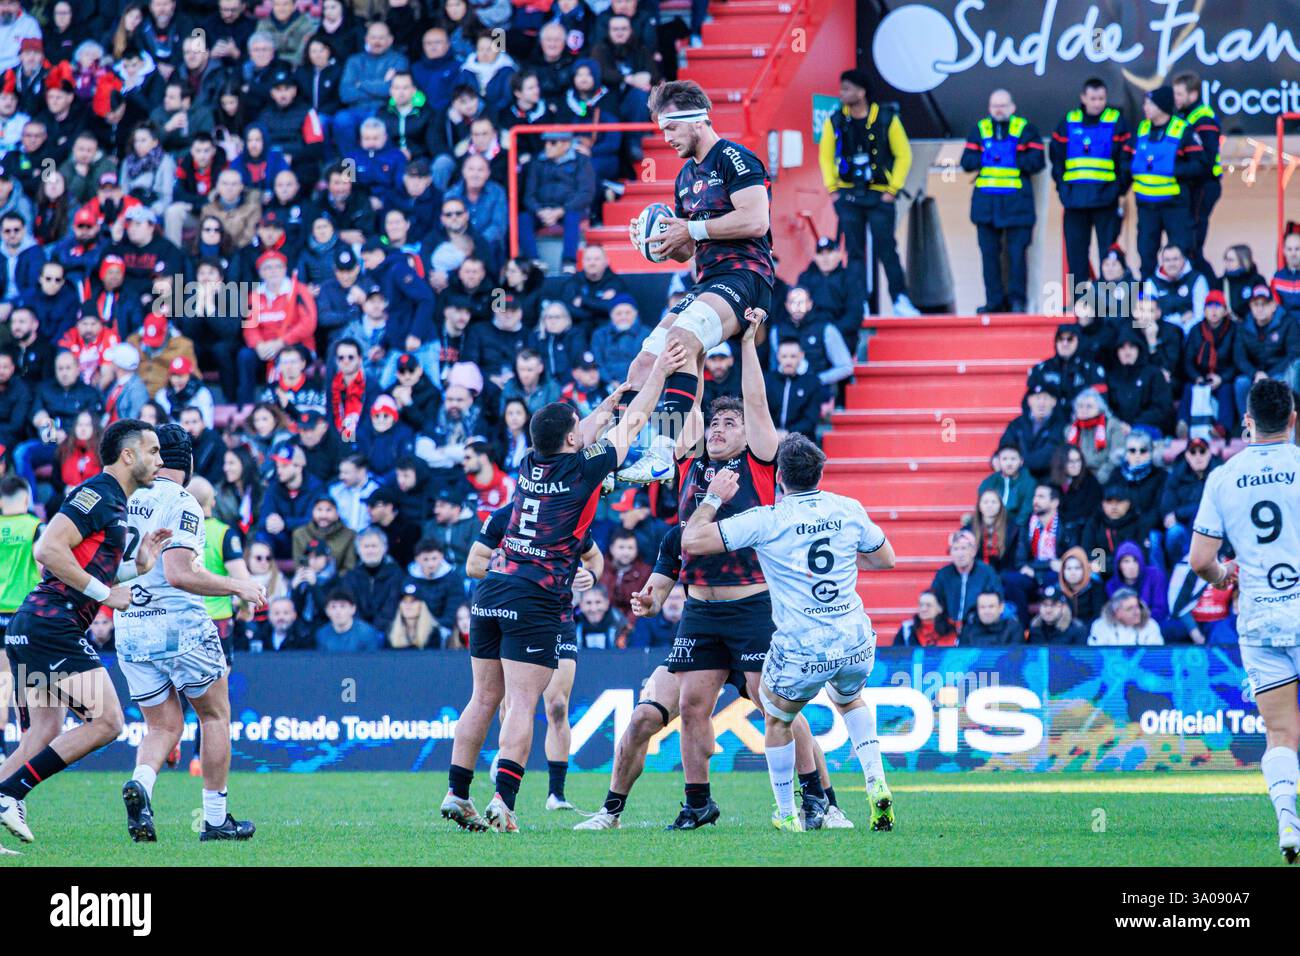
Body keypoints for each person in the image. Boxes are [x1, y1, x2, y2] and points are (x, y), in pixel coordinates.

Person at [440, 341, 679, 834]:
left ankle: (456, 792)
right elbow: (633, 424)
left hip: (492, 592)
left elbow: (586, 428)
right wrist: (660, 374)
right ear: (573, 442)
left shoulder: (532, 461)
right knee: (523, 704)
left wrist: (611, 398)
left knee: (482, 700)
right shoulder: (584, 468)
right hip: (535, 595)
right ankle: (503, 803)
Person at [681, 432, 897, 831]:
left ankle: (786, 813)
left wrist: (712, 497)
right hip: (853, 637)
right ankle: (875, 780)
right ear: (819, 472)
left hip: (803, 644)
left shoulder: (768, 518)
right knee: (850, 700)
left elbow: (692, 539)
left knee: (778, 720)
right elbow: (886, 559)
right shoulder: (848, 507)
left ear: (779, 475)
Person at [578, 521, 850, 831]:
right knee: (643, 717)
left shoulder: (751, 526)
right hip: (702, 632)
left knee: (780, 713)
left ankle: (827, 804)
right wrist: (649, 603)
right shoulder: (679, 536)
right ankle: (612, 812)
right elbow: (658, 592)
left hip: (749, 628)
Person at [0, 419, 162, 847]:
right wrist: (107, 594)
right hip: (51, 625)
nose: (160, 461)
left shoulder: (115, 502)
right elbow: (47, 549)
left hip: (33, 626)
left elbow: (85, 562)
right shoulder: (96, 494)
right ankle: (9, 793)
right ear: (129, 455)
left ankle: (4, 793)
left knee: (40, 735)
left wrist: (137, 566)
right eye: (154, 451)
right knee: (108, 721)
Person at [615, 80, 778, 484]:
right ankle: (617, 448)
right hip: (708, 282)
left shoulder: (735, 159)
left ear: (695, 120)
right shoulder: (685, 177)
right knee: (645, 361)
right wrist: (657, 243)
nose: (665, 138)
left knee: (681, 341)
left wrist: (690, 227)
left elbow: (756, 220)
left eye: (669, 128)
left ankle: (663, 449)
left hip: (746, 276)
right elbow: (687, 247)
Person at [115, 424, 267, 843]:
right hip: (178, 626)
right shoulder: (182, 501)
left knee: (163, 727)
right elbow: (181, 574)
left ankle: (141, 786)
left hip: (129, 626)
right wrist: (238, 585)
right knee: (214, 714)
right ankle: (216, 819)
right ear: (189, 463)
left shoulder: (121, 497)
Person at [1187, 378, 1300, 860]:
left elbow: (1199, 560)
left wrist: (1223, 573)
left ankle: (1287, 820)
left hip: (1261, 619)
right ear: (1293, 420)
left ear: (1247, 423)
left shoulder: (1223, 476)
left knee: (1280, 732)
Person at [467, 501, 602, 810]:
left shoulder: (571, 516)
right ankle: (507, 761)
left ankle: (556, 794)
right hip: (521, 614)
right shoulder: (505, 516)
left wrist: (591, 576)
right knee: (513, 701)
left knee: (557, 705)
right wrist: (510, 574)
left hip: (560, 619)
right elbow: (474, 564)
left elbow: (595, 557)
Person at [818, 69, 917, 317]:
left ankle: (900, 300)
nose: (842, 94)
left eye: (847, 89)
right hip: (848, 196)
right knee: (854, 251)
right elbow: (825, 155)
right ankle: (858, 303)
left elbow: (904, 154)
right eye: (842, 89)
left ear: (862, 92)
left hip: (880, 194)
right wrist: (833, 189)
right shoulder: (835, 120)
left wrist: (893, 189)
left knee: (887, 248)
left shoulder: (886, 117)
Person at [960, 89, 1044, 313]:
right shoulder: (980, 129)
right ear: (989, 108)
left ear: (1012, 107)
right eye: (995, 105)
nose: (999, 109)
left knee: (1017, 256)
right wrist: (988, 156)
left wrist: (1012, 157)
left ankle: (1017, 301)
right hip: (986, 206)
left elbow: (1038, 161)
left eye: (1003, 105)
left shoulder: (1025, 129)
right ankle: (994, 302)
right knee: (989, 256)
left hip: (1018, 205)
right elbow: (966, 161)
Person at [1050, 77, 1130, 300]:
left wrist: (1118, 190)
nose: (1097, 103)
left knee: (1109, 255)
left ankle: (1111, 305)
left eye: (1102, 98)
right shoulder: (1069, 121)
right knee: (1076, 257)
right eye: (1093, 98)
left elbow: (1126, 158)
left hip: (1106, 201)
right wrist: (1063, 190)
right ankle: (1080, 306)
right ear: (1083, 98)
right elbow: (1056, 158)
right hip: (1075, 202)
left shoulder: (1116, 121)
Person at [1125, 86, 1204, 278]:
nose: (1145, 107)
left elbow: (1200, 165)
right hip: (1146, 207)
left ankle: (1183, 298)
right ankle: (1148, 303)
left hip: (1174, 206)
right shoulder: (1141, 129)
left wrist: (1173, 171)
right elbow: (1125, 158)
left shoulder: (1183, 130)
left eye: (1149, 103)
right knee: (1146, 255)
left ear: (1162, 106)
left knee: (1181, 255)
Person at [1172, 71, 1222, 278]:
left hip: (1204, 185)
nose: (1176, 99)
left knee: (1193, 245)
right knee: (1189, 243)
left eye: (1179, 94)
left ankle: (1210, 291)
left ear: (1193, 94)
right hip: (1196, 186)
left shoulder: (1203, 119)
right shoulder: (1187, 116)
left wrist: (1183, 171)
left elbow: (1207, 160)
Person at [1233, 284, 1300, 421]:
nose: (1260, 308)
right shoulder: (1244, 326)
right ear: (1250, 307)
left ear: (1274, 305)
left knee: (1287, 378)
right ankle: (1248, 428)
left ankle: (1284, 428)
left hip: (1280, 371)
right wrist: (1255, 373)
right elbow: (1239, 356)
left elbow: (1293, 354)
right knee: (1241, 383)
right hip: (1256, 373)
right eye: (1256, 304)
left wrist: (1268, 375)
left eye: (1265, 304)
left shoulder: (1287, 322)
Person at [929, 528, 1002, 626]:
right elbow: (934, 601)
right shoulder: (943, 574)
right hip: (948, 628)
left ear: (974, 551)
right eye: (955, 549)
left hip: (978, 628)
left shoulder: (986, 573)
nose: (960, 554)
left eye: (964, 548)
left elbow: (997, 600)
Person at [1087, 588, 1164, 646]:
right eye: (1130, 609)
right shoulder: (1100, 626)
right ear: (1117, 612)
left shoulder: (1151, 625)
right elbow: (1096, 657)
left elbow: (1156, 657)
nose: (1137, 612)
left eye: (1137, 607)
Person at [314, 587, 383, 651]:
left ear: (353, 609)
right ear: (327, 611)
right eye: (333, 607)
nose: (338, 611)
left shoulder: (367, 633)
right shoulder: (322, 634)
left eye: (343, 606)